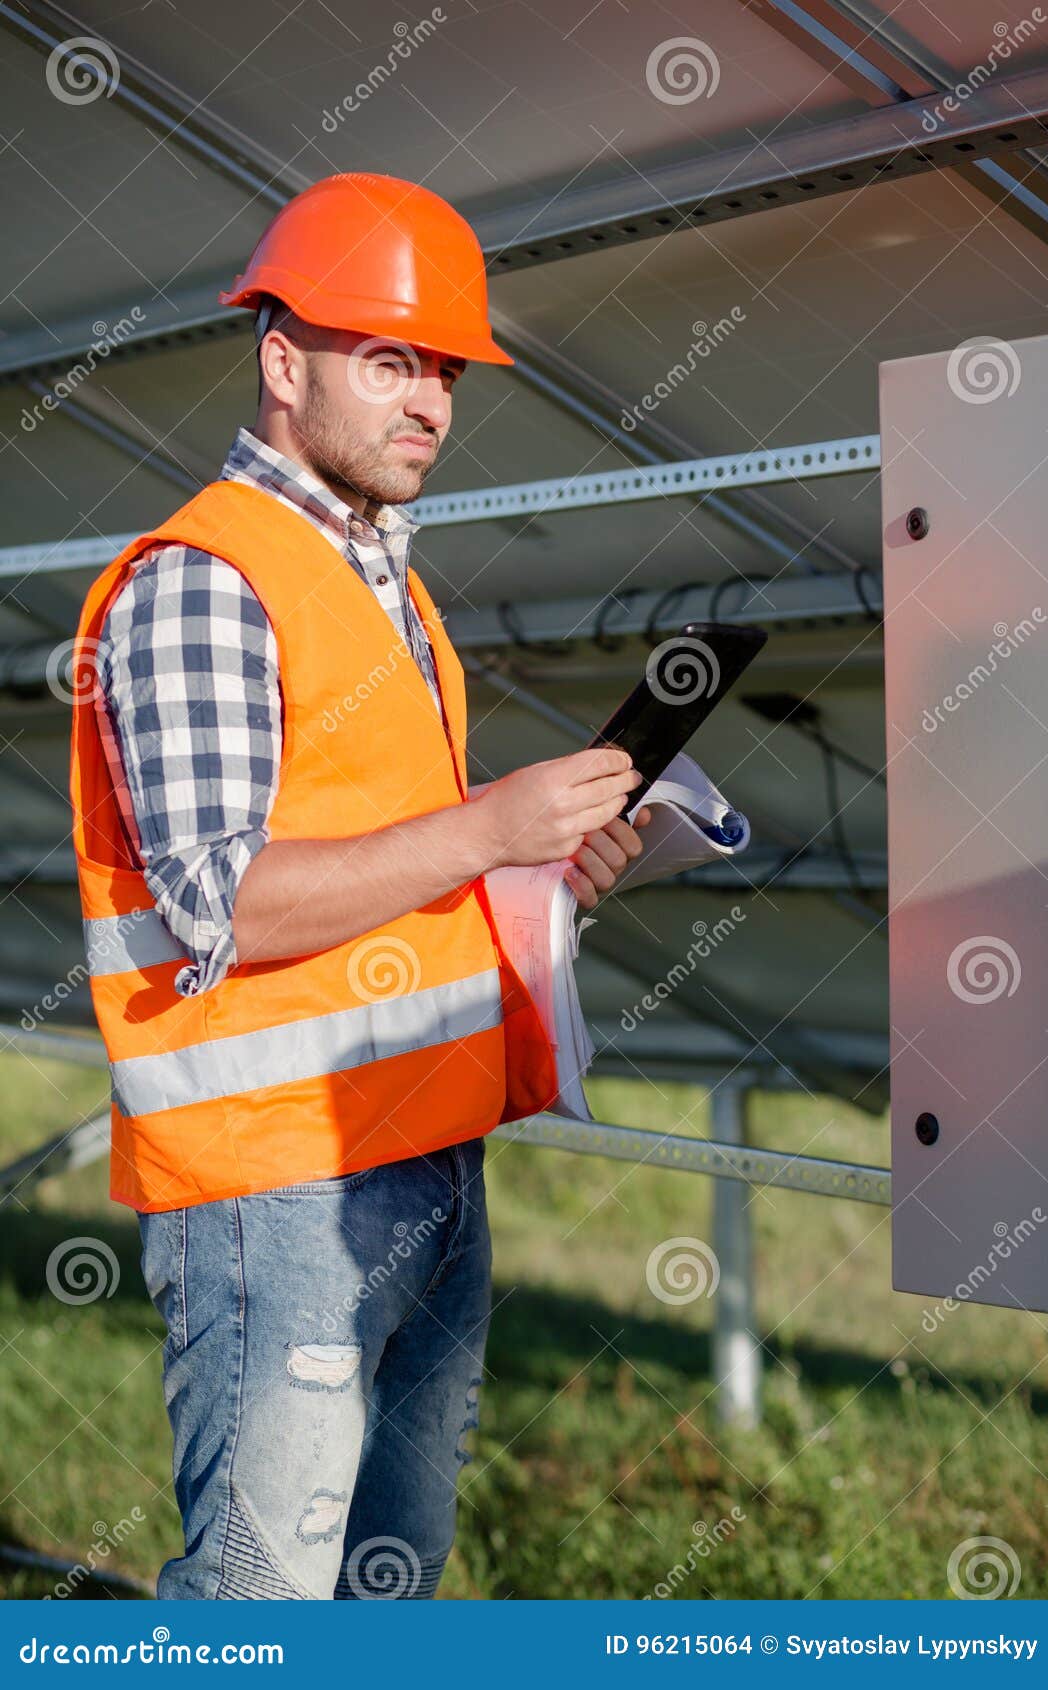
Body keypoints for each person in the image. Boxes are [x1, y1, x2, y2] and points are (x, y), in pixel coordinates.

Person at [68, 173, 651, 1600]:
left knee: (389, 1582)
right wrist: (481, 827)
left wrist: (539, 860)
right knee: (264, 1605)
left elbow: (385, 861)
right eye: (392, 360)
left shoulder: (386, 575)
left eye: (444, 368)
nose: (433, 403)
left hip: (429, 1163)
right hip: (279, 1191)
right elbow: (228, 905)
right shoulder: (207, 579)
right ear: (284, 361)